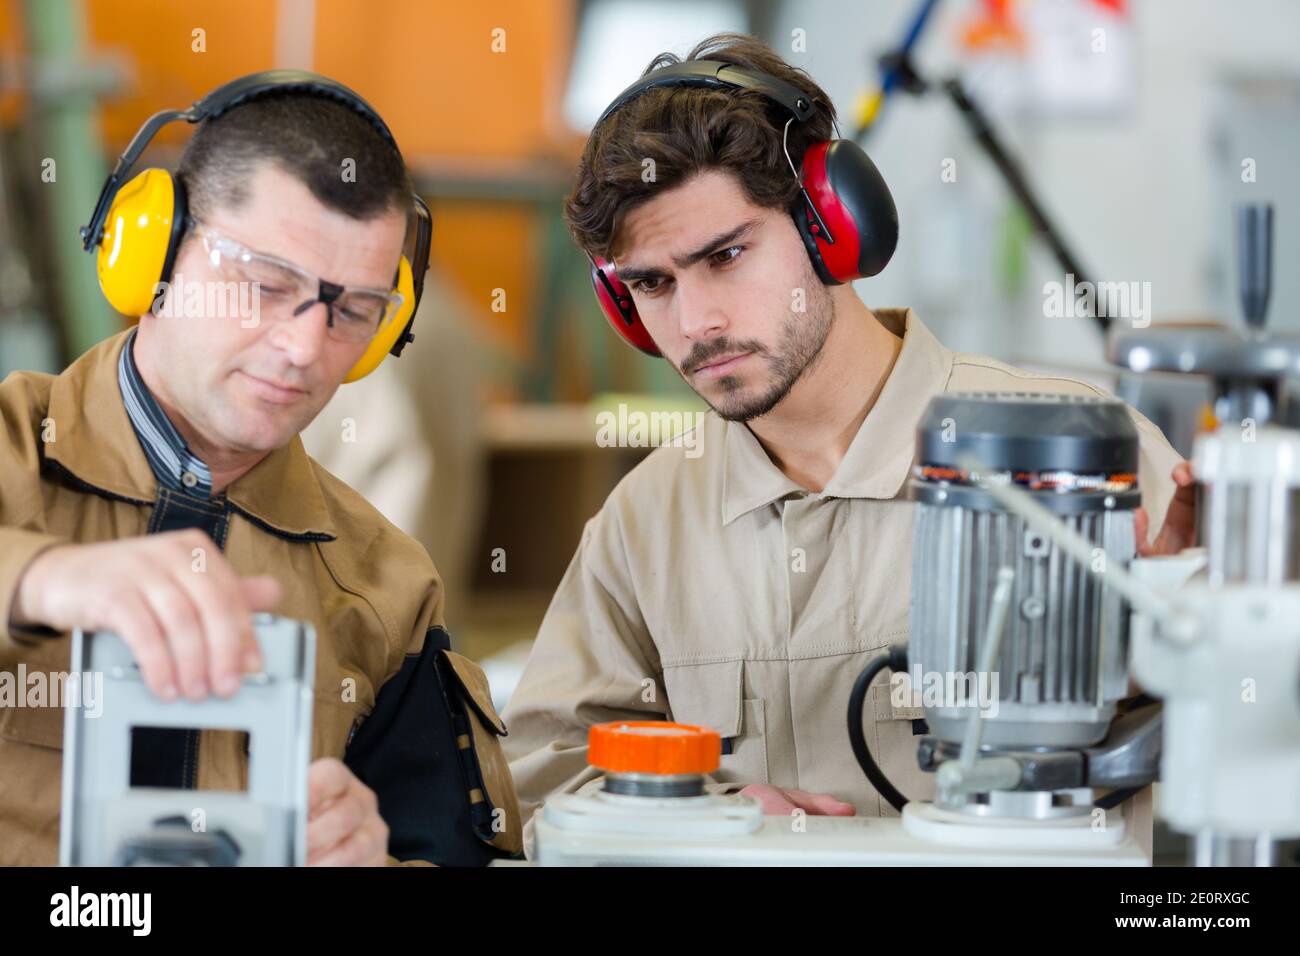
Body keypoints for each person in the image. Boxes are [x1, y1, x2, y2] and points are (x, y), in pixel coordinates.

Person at [502, 34, 1194, 857]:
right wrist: (701, 811)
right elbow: (541, 782)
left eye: (726, 256)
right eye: (652, 284)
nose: (695, 323)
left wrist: (1182, 655)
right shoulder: (645, 522)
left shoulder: (1085, 456)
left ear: (831, 226)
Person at [0, 73, 520, 866]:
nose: (304, 348)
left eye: (353, 312)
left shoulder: (387, 590)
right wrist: (43, 578)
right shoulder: (13, 447)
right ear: (153, 252)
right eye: (266, 285)